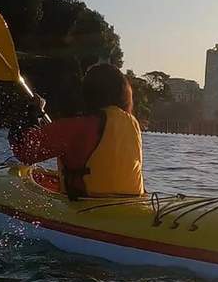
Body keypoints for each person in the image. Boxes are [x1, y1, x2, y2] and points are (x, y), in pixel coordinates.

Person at [8, 63, 144, 200]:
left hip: (88, 204)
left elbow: (24, 150)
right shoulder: (133, 124)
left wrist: (30, 113)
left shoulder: (80, 127)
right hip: (131, 203)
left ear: (89, 93)